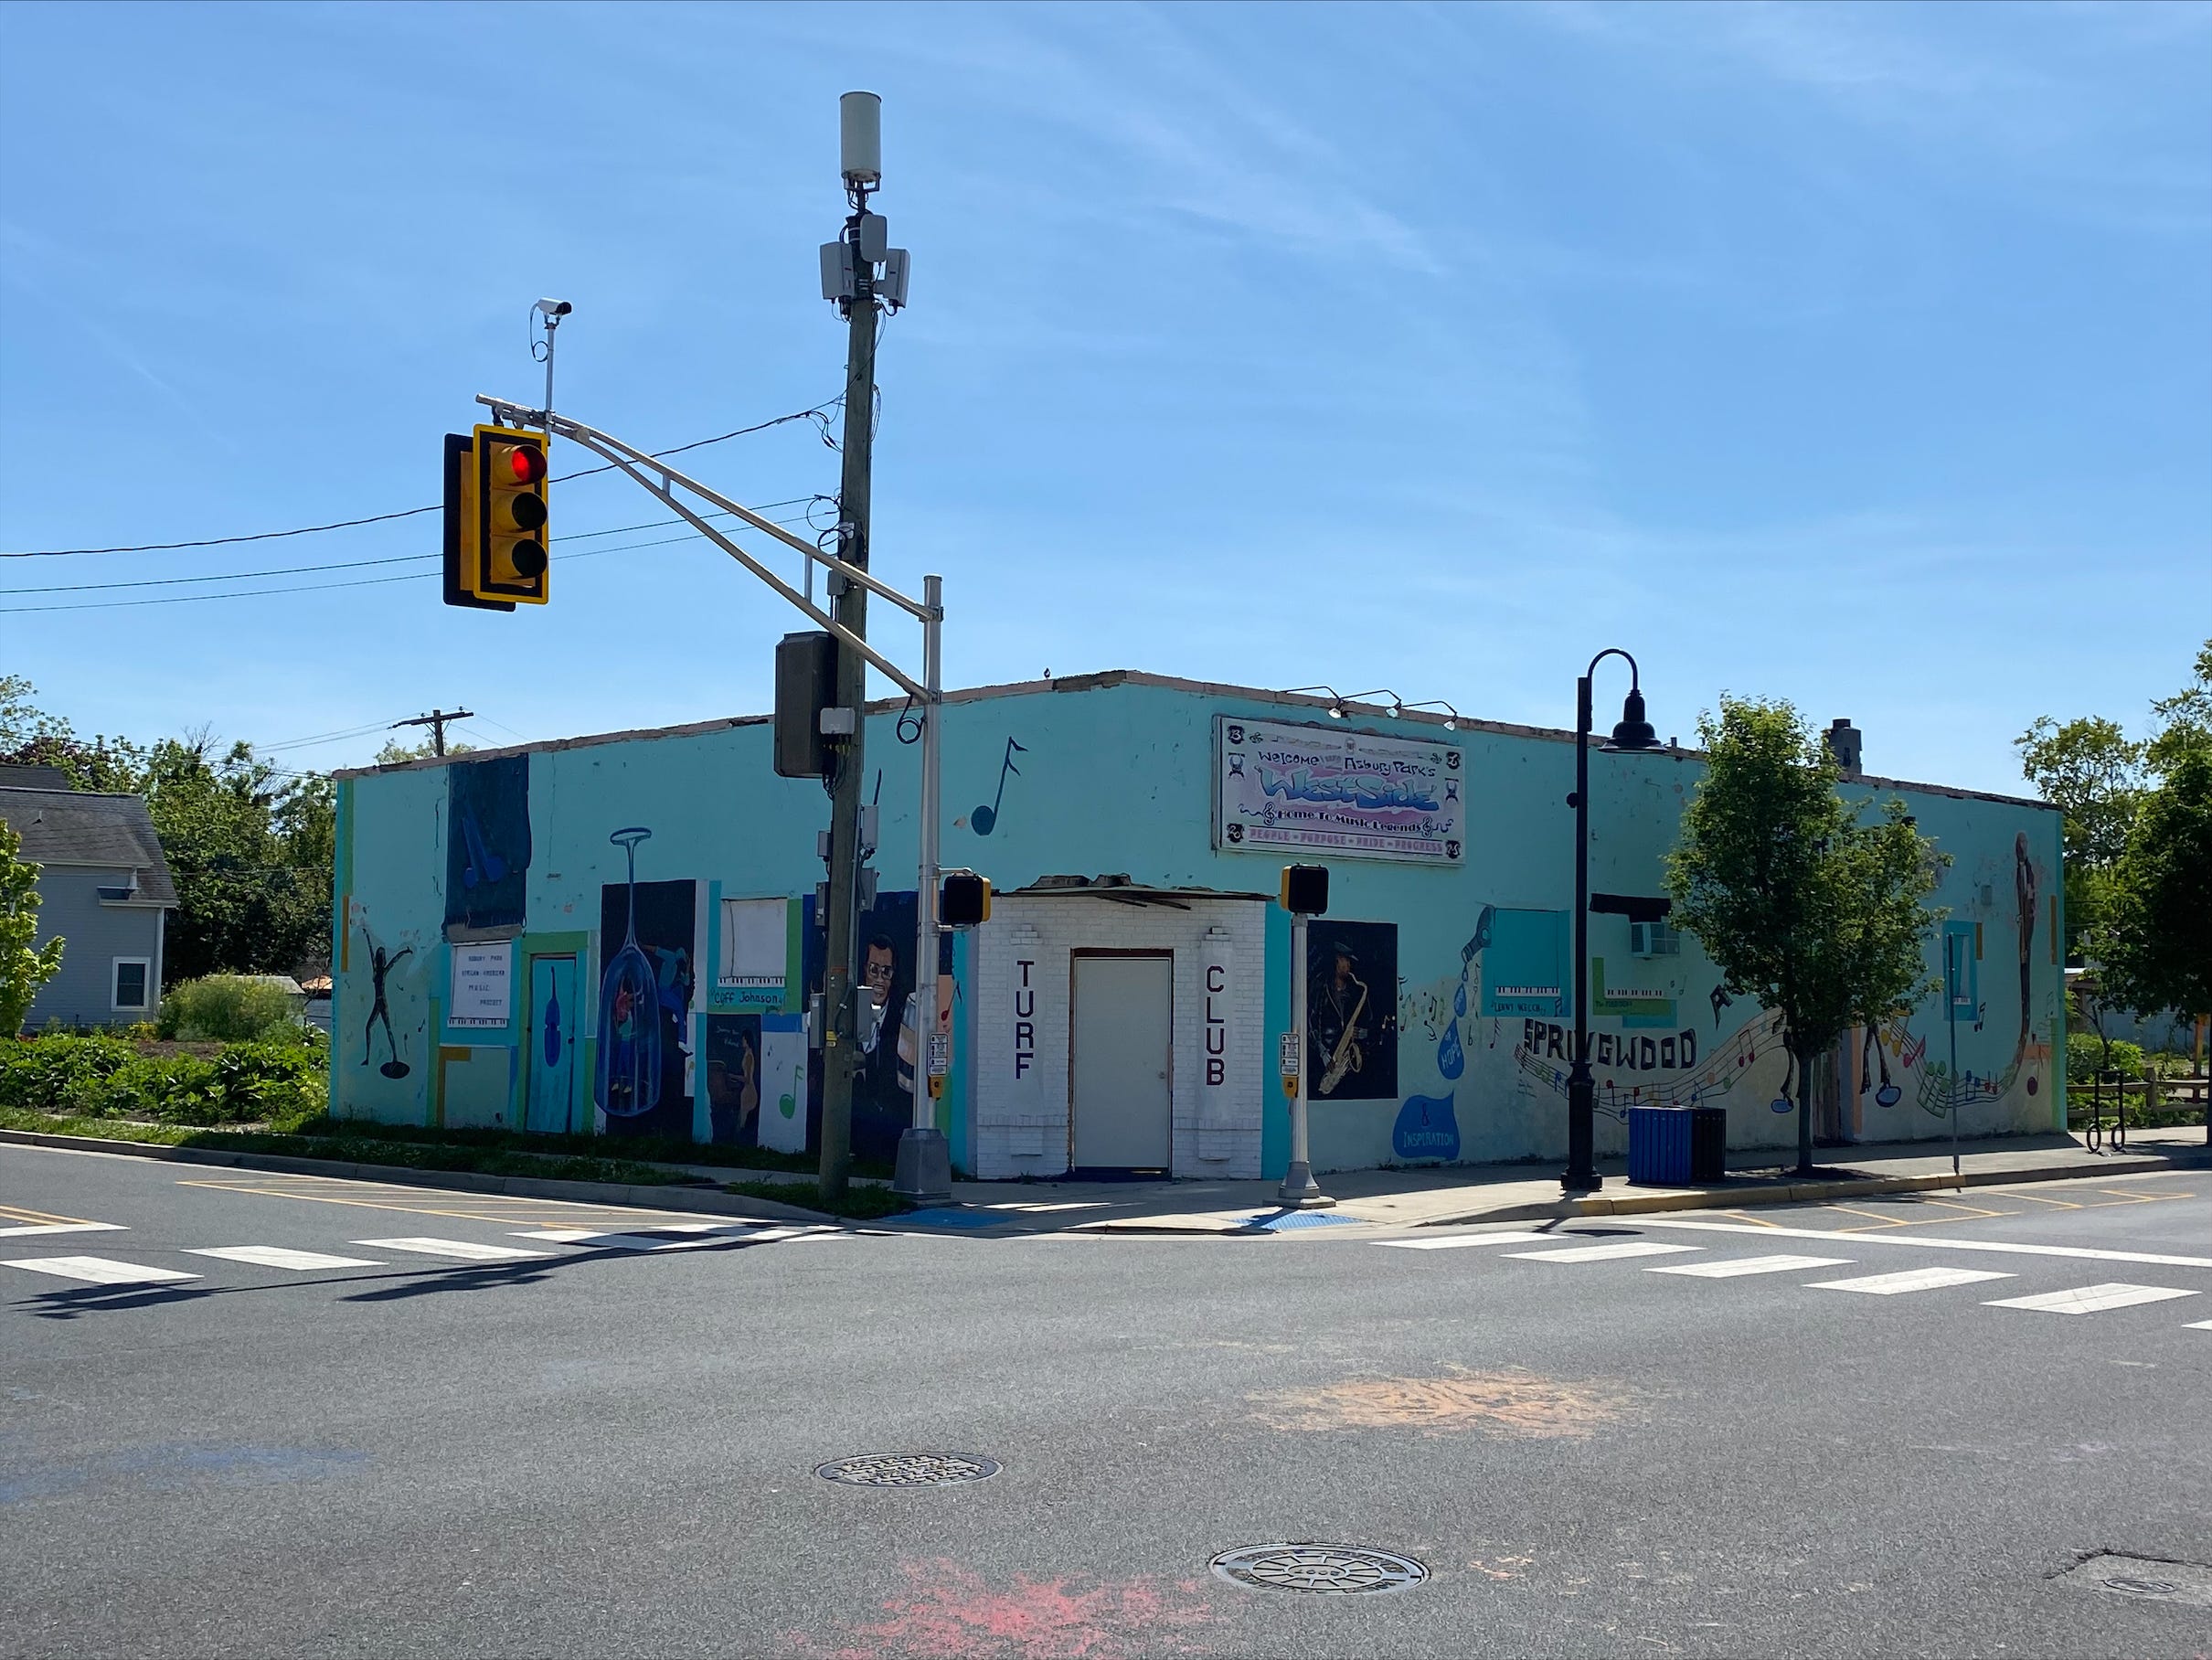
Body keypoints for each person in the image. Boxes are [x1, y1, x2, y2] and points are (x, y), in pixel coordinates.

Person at [1310, 941, 1371, 1097]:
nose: (1349, 965)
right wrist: (1323, 1053)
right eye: (1345, 960)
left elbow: (1370, 1021)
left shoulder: (1357, 990)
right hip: (1328, 1061)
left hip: (1348, 1059)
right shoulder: (1320, 986)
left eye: (1349, 962)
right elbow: (1311, 1021)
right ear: (1336, 961)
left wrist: (1363, 1033)